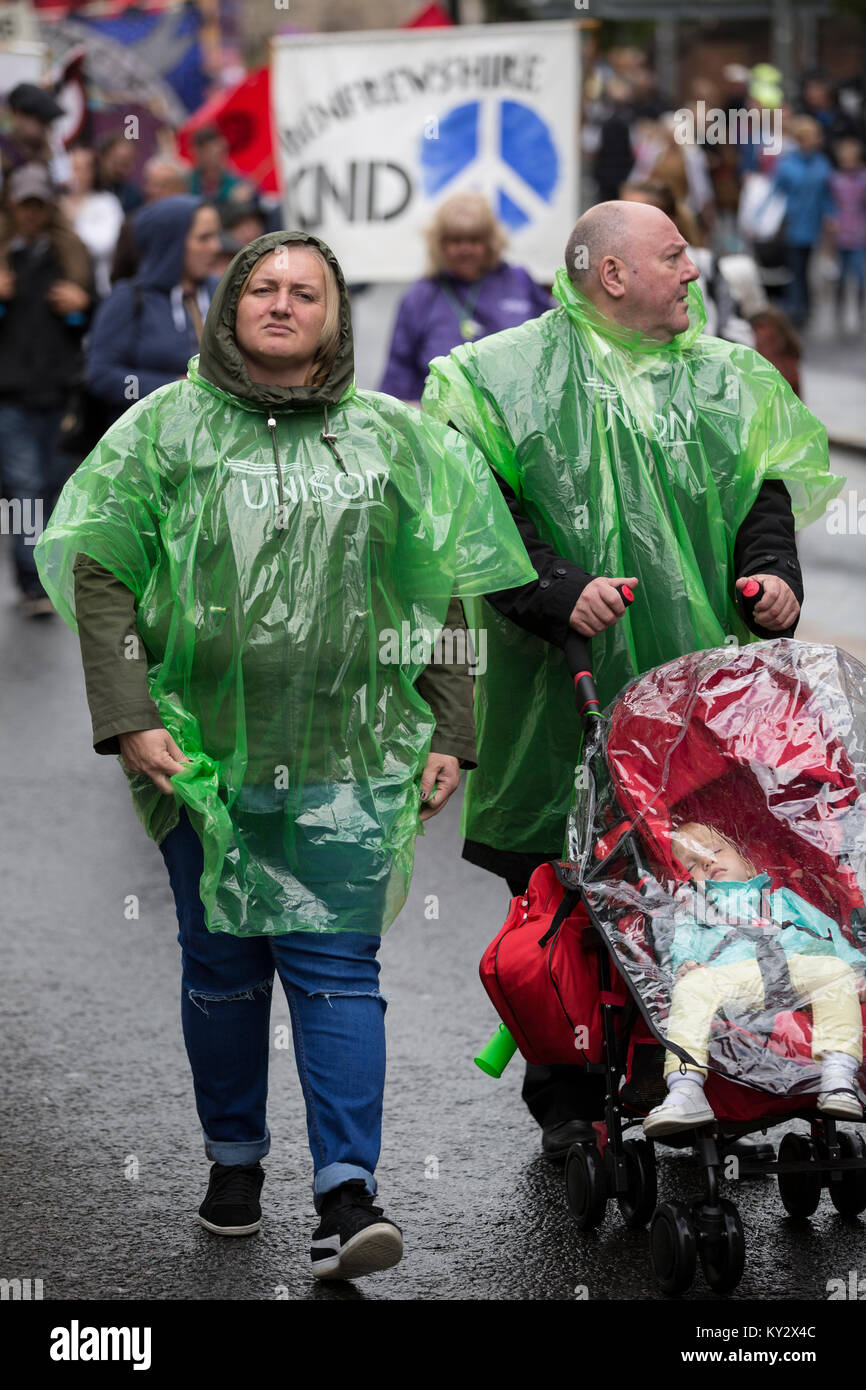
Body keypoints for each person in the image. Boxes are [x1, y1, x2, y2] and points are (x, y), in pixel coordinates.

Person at [33, 230, 535, 1279]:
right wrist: (129, 715)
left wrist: (450, 721)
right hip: (200, 759)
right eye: (260, 285)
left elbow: (442, 581)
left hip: (348, 752)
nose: (280, 302)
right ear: (227, 306)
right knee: (221, 969)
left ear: (335, 315)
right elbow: (102, 569)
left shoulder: (390, 439)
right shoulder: (163, 431)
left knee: (336, 968)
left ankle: (347, 1196)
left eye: (305, 290)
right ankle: (233, 1157)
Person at [422, 199, 841, 1157]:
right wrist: (555, 592)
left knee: (706, 892)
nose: (694, 271)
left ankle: (690, 1078)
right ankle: (570, 1095)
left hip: (705, 698)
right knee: (566, 902)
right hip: (561, 694)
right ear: (613, 275)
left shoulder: (728, 378)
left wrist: (772, 578)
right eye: (674, 255)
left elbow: (763, 497)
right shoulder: (503, 377)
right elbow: (477, 516)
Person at [643, 822, 866, 1136]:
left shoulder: (783, 899)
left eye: (716, 851)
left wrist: (857, 968)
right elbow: (680, 946)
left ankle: (839, 1076)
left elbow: (827, 933)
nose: (707, 861)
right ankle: (685, 1089)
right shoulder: (693, 912)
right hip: (732, 975)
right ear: (687, 881)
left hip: (796, 964)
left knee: (835, 970)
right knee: (691, 987)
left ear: (748, 865)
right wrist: (683, 965)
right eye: (693, 864)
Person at [0, 163, 92, 616]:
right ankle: (30, 580)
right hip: (10, 396)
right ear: (12, 207)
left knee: (56, 487)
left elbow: (92, 326)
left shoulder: (70, 255)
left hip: (58, 392)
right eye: (24, 205)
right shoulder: (4, 258)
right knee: (24, 487)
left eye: (39, 204)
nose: (32, 214)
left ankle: (47, 573)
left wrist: (82, 305)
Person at [378, 191, 551, 403]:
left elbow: (553, 350)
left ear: (491, 242)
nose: (465, 249)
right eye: (455, 240)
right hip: (440, 425)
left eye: (474, 240)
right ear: (439, 244)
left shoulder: (519, 282)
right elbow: (398, 377)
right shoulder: (419, 297)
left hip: (517, 416)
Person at [86, 196, 221, 416]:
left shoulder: (221, 292)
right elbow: (101, 375)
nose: (215, 247)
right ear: (172, 243)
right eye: (204, 238)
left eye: (215, 236)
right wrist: (171, 388)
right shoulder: (130, 299)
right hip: (147, 439)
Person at [769, 116, 835, 326]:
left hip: (813, 223)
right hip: (793, 222)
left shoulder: (822, 164)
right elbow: (775, 192)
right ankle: (797, 307)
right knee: (795, 267)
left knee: (806, 266)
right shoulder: (787, 163)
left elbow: (827, 194)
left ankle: (804, 304)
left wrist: (831, 216)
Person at [61, 145, 124, 300]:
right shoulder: (57, 203)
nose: (77, 175)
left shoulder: (107, 203)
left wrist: (73, 225)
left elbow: (106, 243)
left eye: (84, 169)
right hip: (62, 286)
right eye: (74, 168)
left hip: (97, 289)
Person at [829, 137, 866, 333]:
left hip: (859, 232)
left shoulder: (862, 179)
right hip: (840, 232)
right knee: (840, 275)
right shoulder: (836, 179)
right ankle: (839, 310)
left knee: (859, 274)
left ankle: (860, 310)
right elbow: (830, 204)